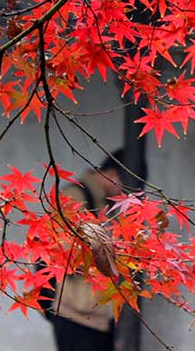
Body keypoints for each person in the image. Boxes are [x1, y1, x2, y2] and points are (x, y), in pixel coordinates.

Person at [46, 149, 125, 351]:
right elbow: (67, 253)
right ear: (114, 174)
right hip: (76, 314)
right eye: (126, 188)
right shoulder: (75, 197)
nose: (125, 196)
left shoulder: (103, 203)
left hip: (99, 317)